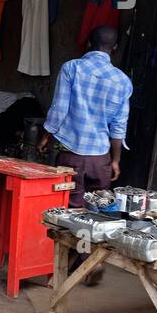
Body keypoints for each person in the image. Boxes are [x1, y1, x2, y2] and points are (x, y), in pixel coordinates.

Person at [39, 25, 132, 207]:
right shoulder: (122, 81)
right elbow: (119, 126)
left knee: (67, 211)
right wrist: (115, 160)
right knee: (95, 210)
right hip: (100, 160)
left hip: (71, 155)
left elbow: (59, 109)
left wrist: (45, 136)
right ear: (115, 48)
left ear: (89, 43)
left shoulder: (72, 68)